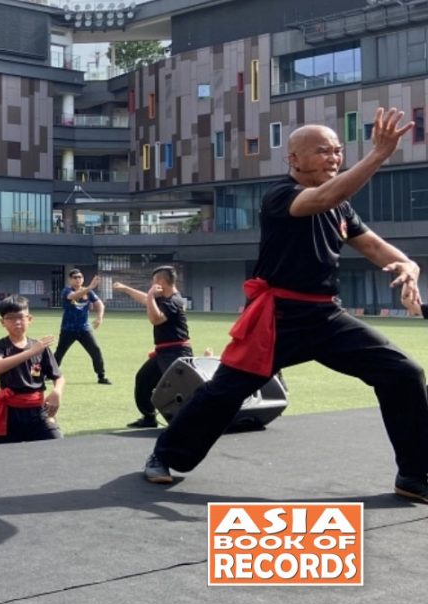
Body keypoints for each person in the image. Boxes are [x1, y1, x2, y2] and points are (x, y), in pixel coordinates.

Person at [143, 108, 428, 506]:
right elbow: (329, 194)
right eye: (323, 151)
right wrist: (379, 153)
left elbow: (377, 248)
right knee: (225, 393)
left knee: (403, 373)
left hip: (326, 316)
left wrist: (409, 266)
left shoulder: (341, 209)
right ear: (293, 159)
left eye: (338, 151)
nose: (334, 157)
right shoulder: (282, 196)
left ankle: (415, 475)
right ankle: (166, 454)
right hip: (278, 318)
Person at [112, 266, 192, 428]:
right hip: (163, 352)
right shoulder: (163, 298)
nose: (151, 284)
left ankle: (186, 421)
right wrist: (127, 289)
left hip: (176, 353)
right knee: (143, 379)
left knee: (176, 388)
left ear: (161, 282)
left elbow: (155, 319)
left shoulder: (174, 301)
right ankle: (149, 417)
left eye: (153, 281)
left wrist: (150, 295)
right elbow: (145, 300)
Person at [0, 295, 64, 445]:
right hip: (8, 413)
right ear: (2, 322)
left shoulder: (40, 348)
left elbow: (58, 376)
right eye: (10, 318)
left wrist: (57, 392)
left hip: (37, 413)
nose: (17, 322)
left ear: (29, 319)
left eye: (21, 317)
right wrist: (31, 352)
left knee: (58, 446)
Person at [54, 269, 111, 385]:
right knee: (60, 352)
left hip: (84, 329)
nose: (78, 279)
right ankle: (49, 373)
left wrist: (99, 317)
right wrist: (90, 287)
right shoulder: (66, 290)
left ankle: (101, 376)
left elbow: (99, 304)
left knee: (95, 350)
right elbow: (73, 296)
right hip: (68, 329)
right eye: (75, 277)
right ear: (70, 279)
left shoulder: (88, 292)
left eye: (80, 277)